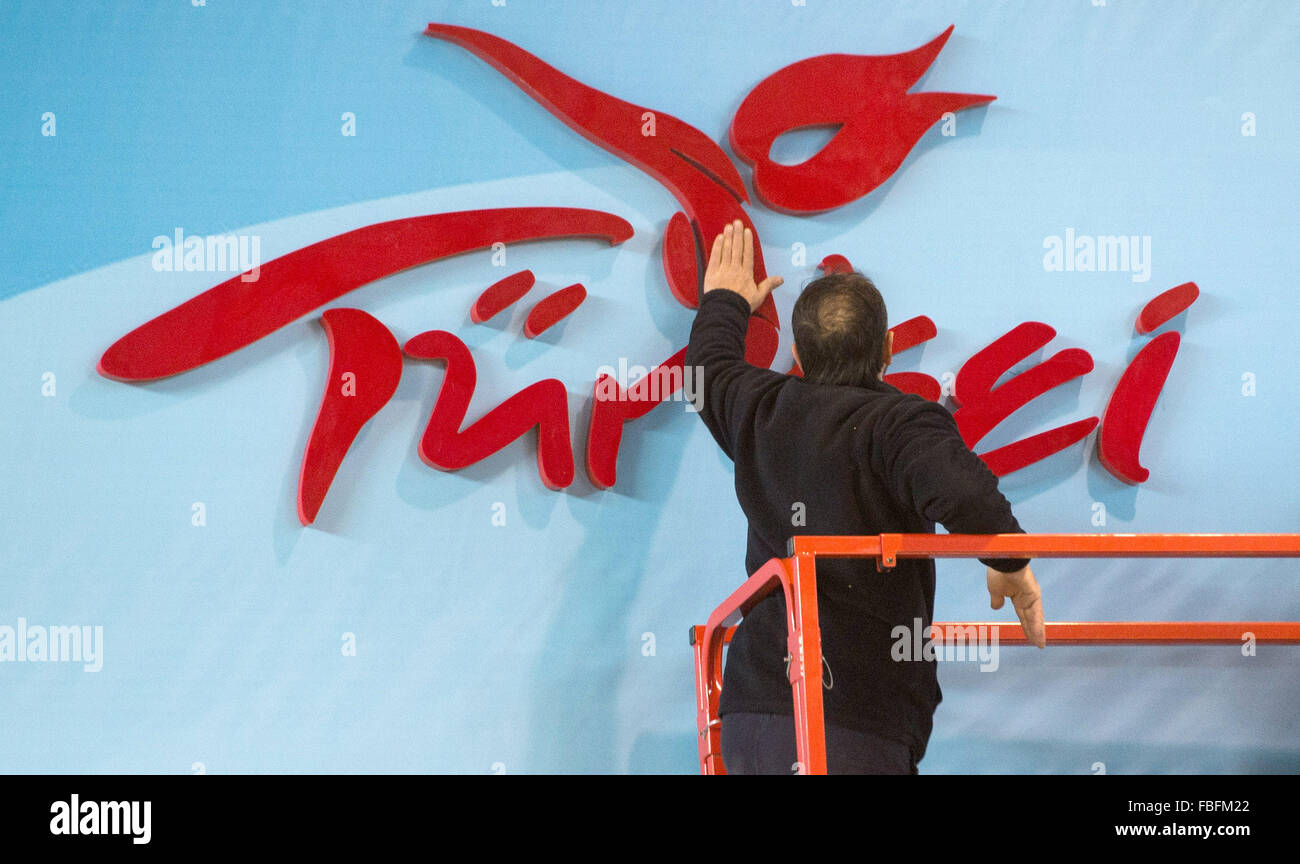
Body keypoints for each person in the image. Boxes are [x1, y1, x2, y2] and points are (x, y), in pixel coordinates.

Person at [684, 220, 1046, 775]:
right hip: (850, 722)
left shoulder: (759, 409)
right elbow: (963, 492)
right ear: (889, 348)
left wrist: (725, 302)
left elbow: (708, 368)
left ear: (798, 352)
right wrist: (1011, 563)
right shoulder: (897, 422)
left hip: (750, 717)